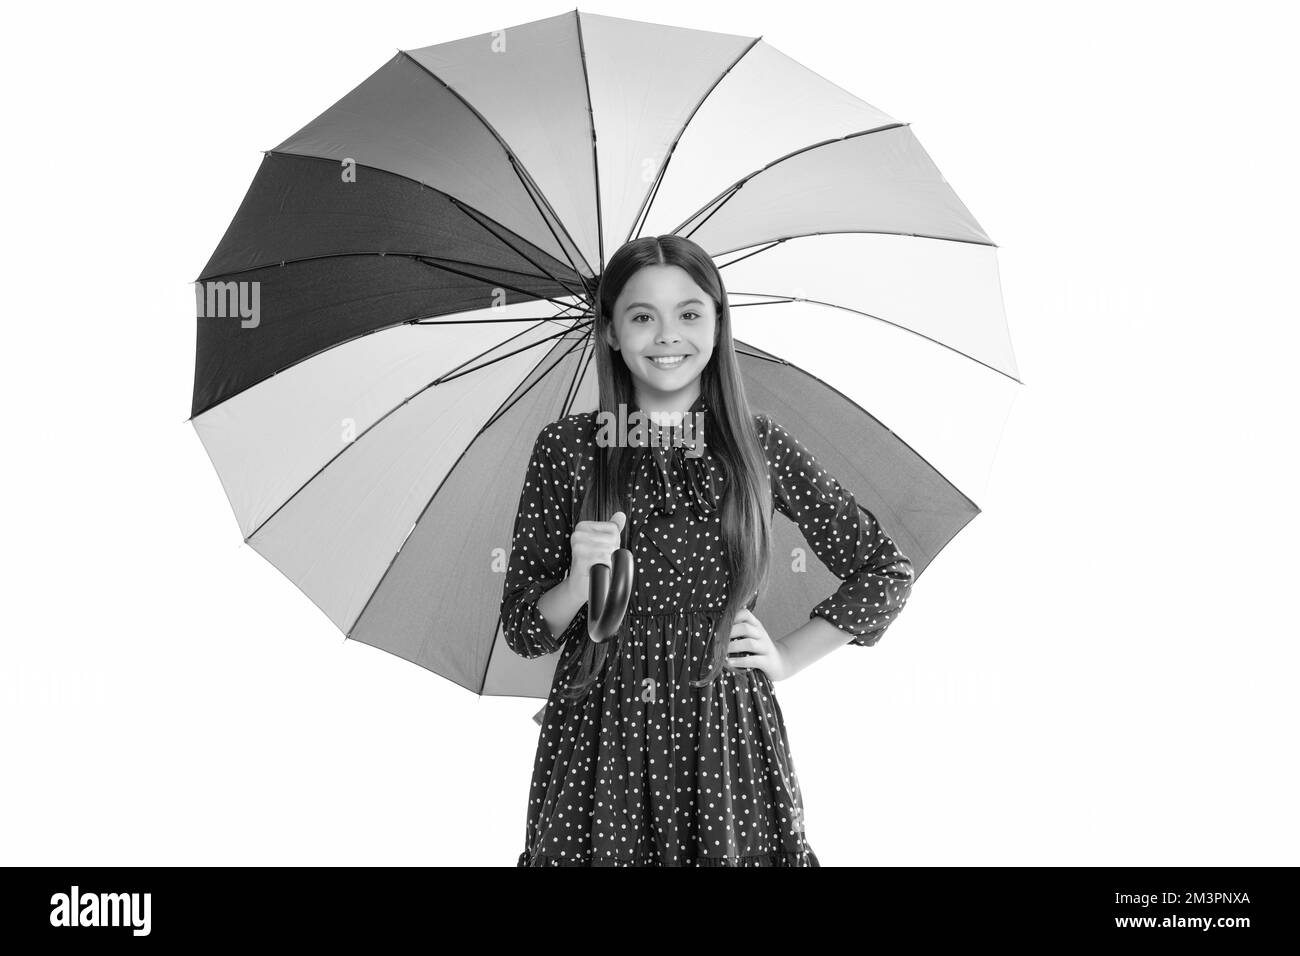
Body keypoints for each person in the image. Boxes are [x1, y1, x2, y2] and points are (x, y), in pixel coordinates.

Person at [500, 234, 915, 866]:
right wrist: (577, 582)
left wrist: (790, 657)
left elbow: (884, 569)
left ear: (718, 325)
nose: (668, 336)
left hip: (723, 729)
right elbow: (525, 631)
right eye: (642, 317)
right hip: (601, 732)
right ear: (610, 332)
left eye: (690, 314)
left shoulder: (756, 446)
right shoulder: (567, 450)